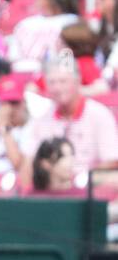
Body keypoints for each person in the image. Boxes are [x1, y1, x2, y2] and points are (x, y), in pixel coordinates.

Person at [18, 56, 118, 191]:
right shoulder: (41, 118)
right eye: (52, 83)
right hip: (50, 188)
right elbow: (27, 161)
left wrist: (76, 178)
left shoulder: (99, 115)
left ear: (77, 82)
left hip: (89, 188)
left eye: (63, 81)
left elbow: (111, 162)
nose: (57, 88)